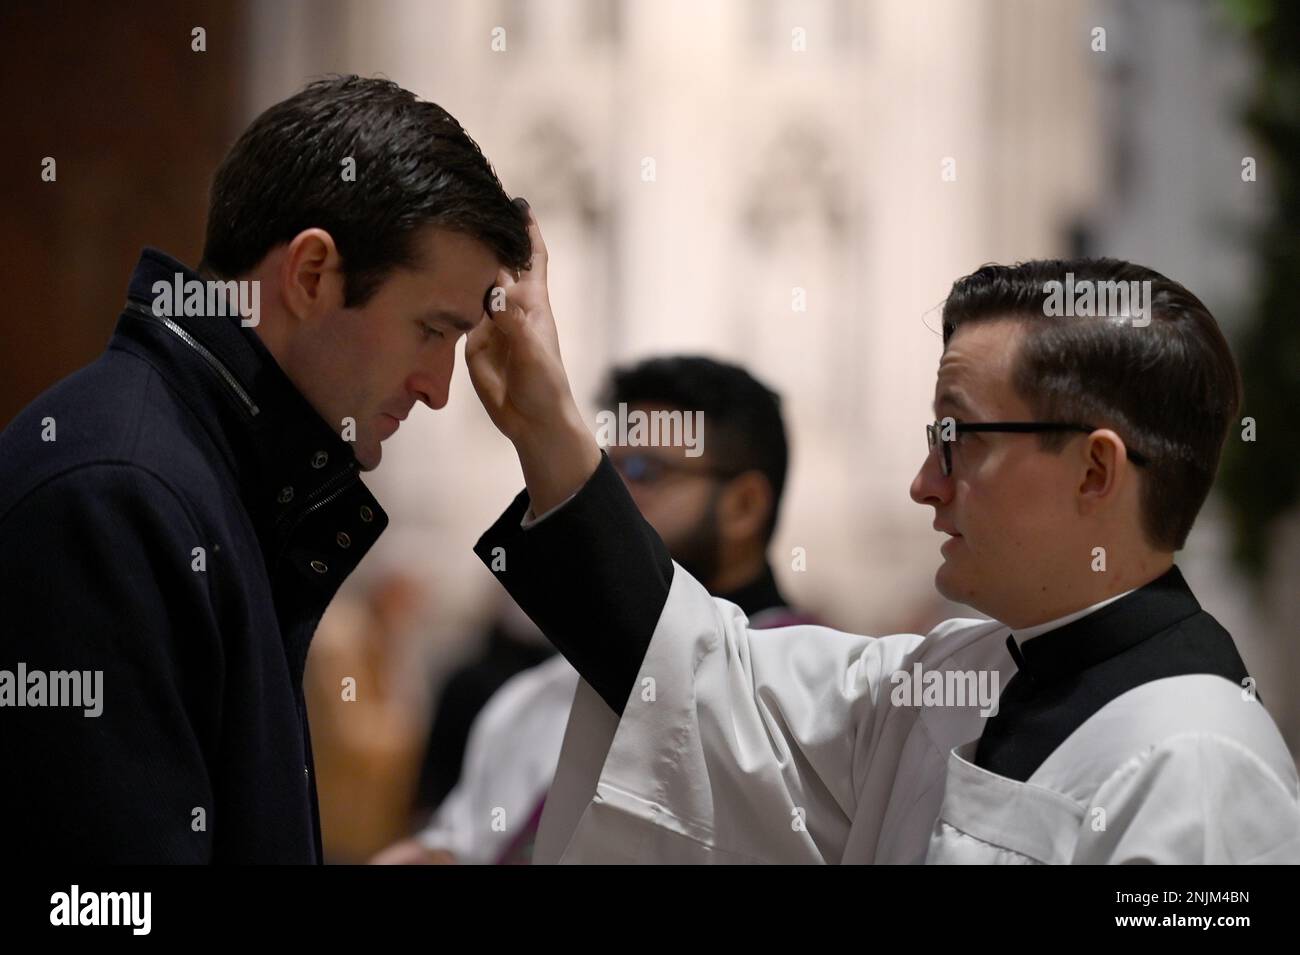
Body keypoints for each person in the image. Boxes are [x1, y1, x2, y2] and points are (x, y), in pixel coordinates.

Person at [463, 220, 1300, 863]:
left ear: (1094, 471)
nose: (923, 483)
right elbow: (693, 679)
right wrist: (549, 429)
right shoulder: (956, 680)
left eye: (958, 439)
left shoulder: (1203, 766)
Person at [0, 75, 529, 863]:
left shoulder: (215, 476)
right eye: (430, 330)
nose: (439, 387)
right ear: (312, 275)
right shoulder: (116, 495)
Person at [373, 355, 818, 863]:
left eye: (644, 471)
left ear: (743, 505)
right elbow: (459, 843)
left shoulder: (807, 702)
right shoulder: (535, 695)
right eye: (607, 468)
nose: (609, 496)